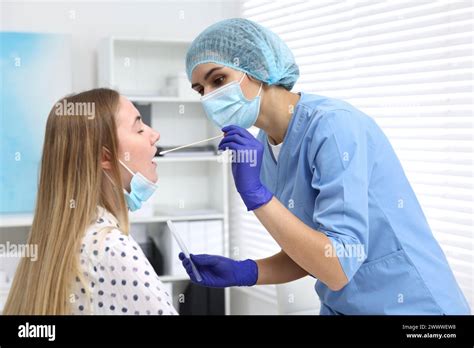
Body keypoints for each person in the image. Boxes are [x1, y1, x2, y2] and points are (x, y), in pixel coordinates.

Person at [179, 18, 470, 314]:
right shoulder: (264, 150)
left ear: (258, 68)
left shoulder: (333, 126)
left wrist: (256, 196)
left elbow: (337, 266)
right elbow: (311, 253)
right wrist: (246, 272)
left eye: (218, 80)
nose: (210, 97)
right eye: (200, 90)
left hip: (414, 308)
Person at [4, 89, 177, 315]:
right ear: (105, 157)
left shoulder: (63, 240)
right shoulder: (112, 248)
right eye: (139, 128)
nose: (154, 135)